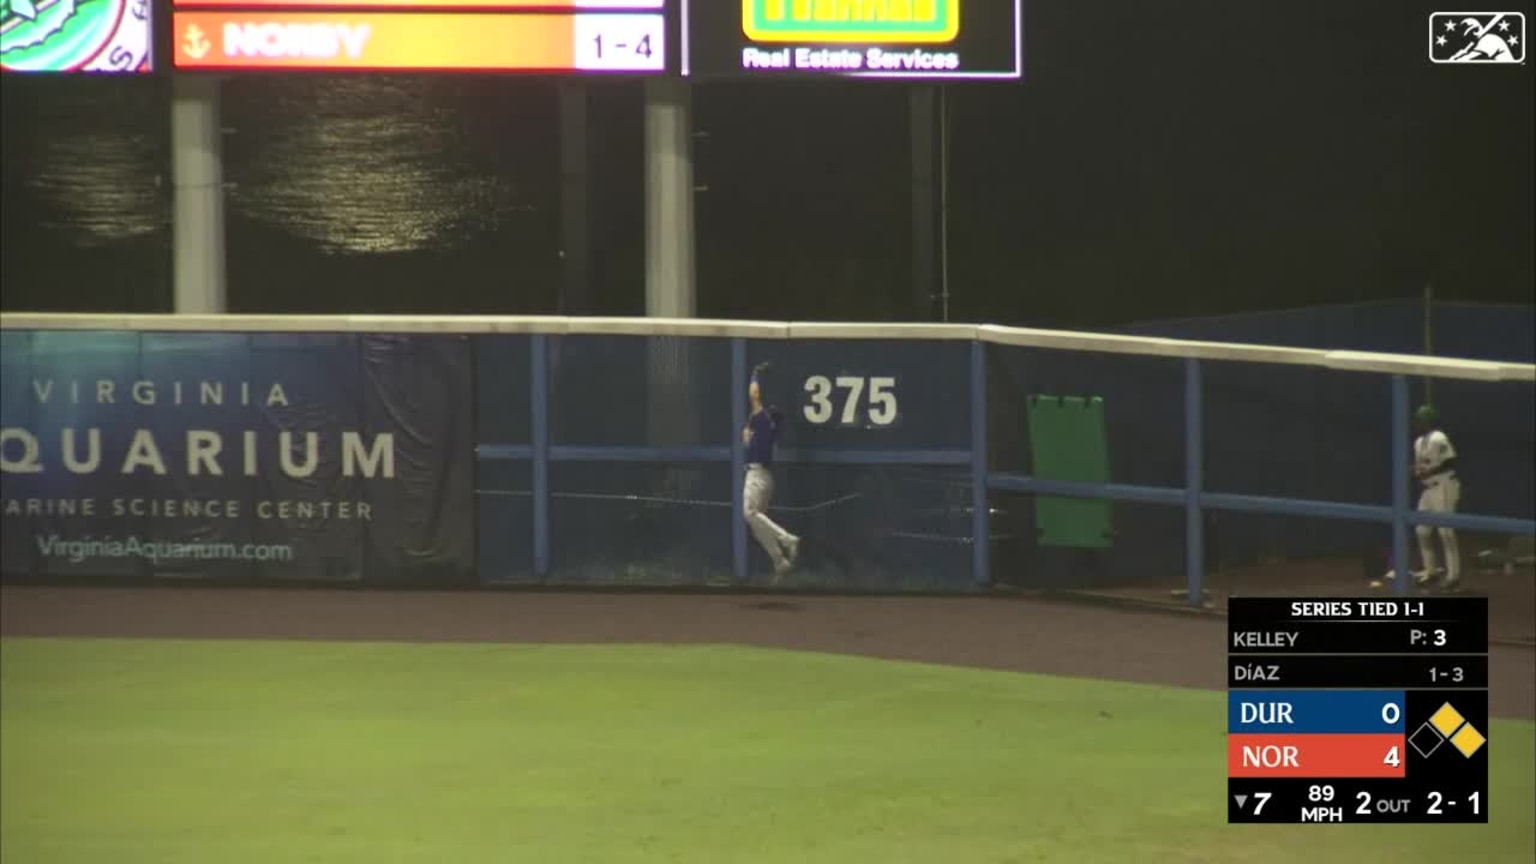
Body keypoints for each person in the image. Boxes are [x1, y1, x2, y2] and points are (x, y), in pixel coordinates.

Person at [742, 363, 800, 581]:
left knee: (749, 514)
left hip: (757, 476)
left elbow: (754, 395)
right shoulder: (767, 427)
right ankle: (780, 561)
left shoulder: (764, 422)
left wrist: (755, 373)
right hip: (764, 477)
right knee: (758, 526)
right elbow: (748, 433)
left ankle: (787, 539)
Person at [1412, 404, 1461, 589]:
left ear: (1428, 421)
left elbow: (1451, 461)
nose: (1416, 423)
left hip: (1444, 487)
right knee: (1422, 531)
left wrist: (1429, 472)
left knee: (1445, 532)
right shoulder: (1418, 442)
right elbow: (1421, 466)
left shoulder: (1438, 438)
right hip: (1428, 490)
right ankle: (1430, 571)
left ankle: (1453, 576)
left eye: (1419, 420)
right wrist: (1416, 472)